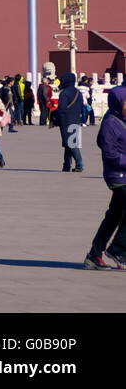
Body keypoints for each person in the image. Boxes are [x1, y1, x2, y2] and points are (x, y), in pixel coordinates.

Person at [84, 85, 126, 270]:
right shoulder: (110, 122)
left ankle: (94, 255)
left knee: (114, 216)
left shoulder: (122, 119)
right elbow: (110, 153)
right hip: (117, 175)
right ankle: (118, 250)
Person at [51, 73, 85, 173]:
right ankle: (66, 165)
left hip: (66, 121)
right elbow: (81, 106)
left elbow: (62, 109)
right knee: (69, 144)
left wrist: (57, 119)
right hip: (76, 120)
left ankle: (79, 164)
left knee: (71, 144)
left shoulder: (64, 93)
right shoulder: (78, 92)